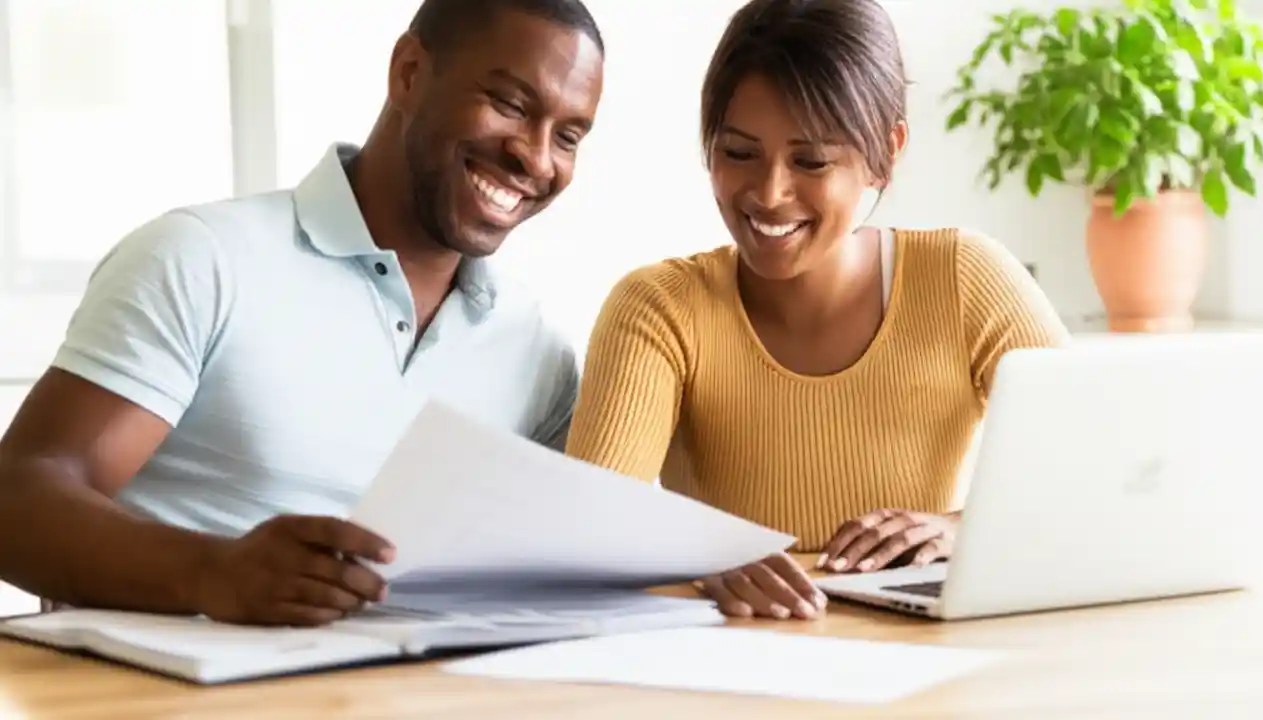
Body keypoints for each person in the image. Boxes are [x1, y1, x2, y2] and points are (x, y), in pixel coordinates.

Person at [0, 0, 604, 627]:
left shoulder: (539, 358)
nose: (537, 159)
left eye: (567, 136)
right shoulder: (203, 260)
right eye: (509, 104)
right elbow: (16, 504)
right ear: (409, 71)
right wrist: (214, 573)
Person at [564, 0, 1069, 621]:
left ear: (887, 152)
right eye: (739, 153)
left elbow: (1097, 471)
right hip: (731, 671)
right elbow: (588, 530)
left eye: (811, 161)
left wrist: (965, 528)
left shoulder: (967, 280)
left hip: (922, 672)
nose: (769, 193)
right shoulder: (661, 308)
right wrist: (696, 551)